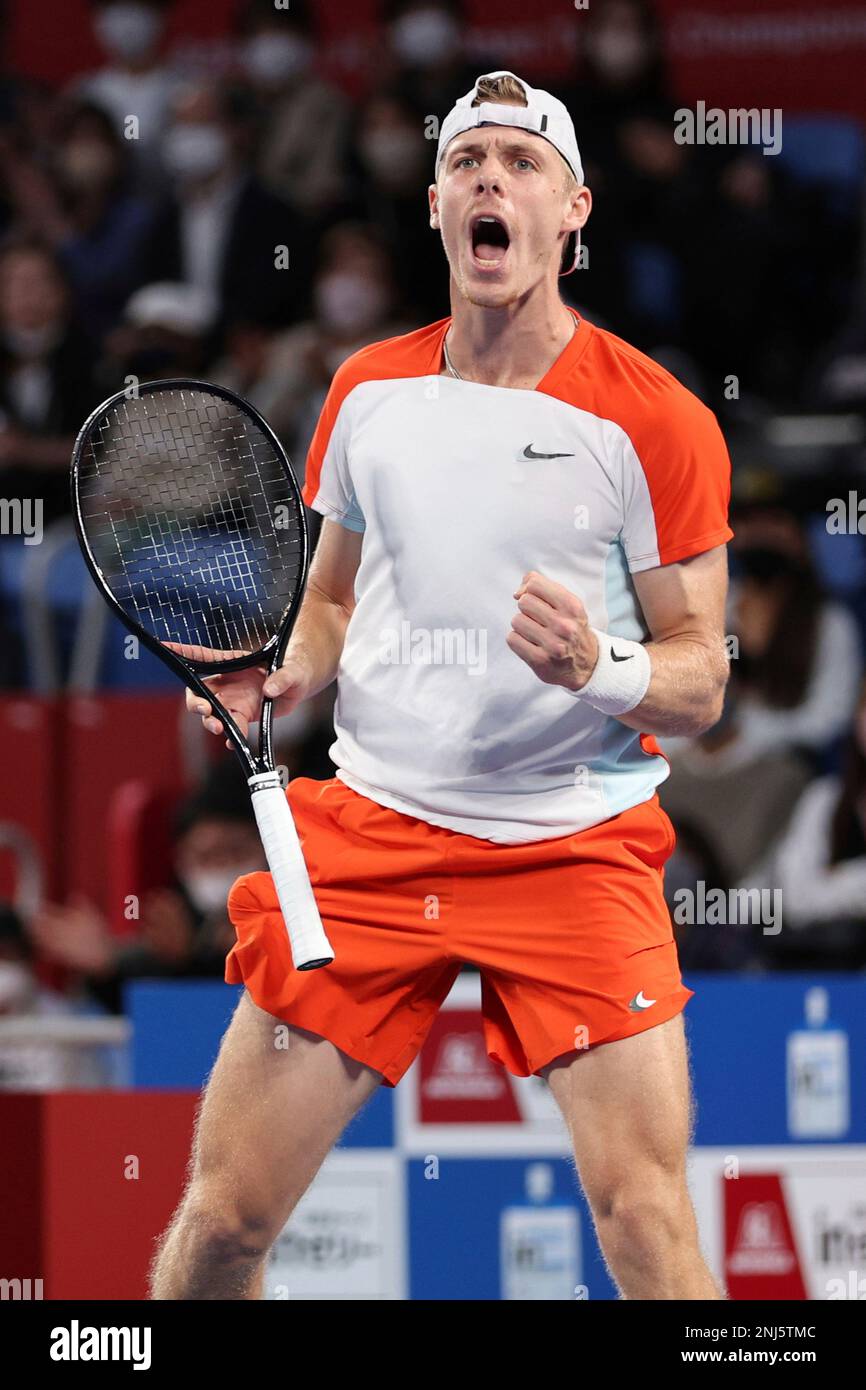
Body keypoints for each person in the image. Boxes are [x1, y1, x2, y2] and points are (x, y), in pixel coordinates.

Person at [152, 70, 732, 1301]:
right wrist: (283, 674)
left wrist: (602, 664)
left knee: (643, 1220)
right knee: (220, 1225)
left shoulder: (658, 421)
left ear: (572, 210)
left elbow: (701, 678)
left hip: (569, 847)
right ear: (433, 204)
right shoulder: (366, 392)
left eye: (521, 164)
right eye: (469, 160)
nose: (490, 179)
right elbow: (330, 600)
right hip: (376, 834)